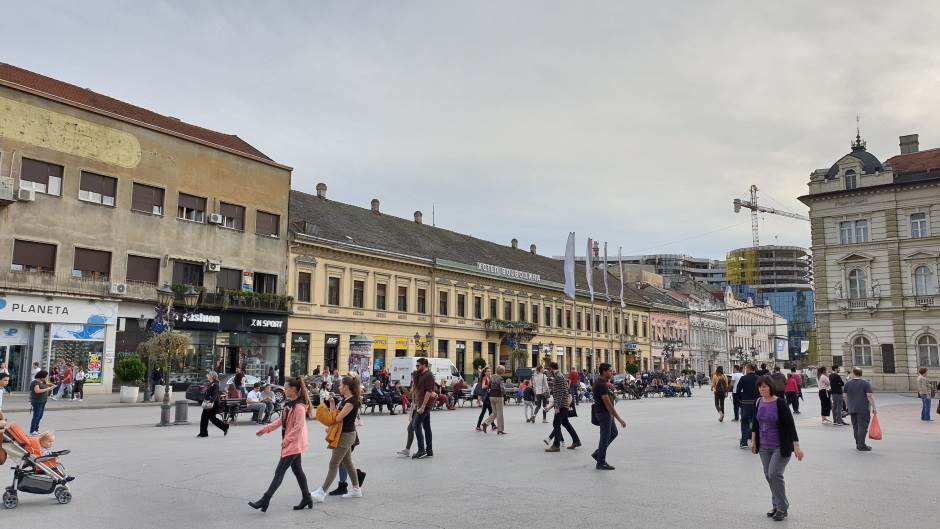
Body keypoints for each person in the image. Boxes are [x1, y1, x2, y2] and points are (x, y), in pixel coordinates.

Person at [249, 377, 315, 512]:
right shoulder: (289, 404)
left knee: (279, 472)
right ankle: (307, 497)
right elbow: (280, 421)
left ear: (293, 389)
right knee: (298, 471)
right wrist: (266, 429)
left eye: (286, 388)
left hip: (294, 444)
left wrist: (287, 440)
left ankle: (265, 499)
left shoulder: (299, 407)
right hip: (292, 443)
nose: (284, 390)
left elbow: (298, 427)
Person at [751, 375, 803, 521]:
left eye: (765, 386)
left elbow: (790, 425)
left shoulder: (779, 402)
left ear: (771, 387)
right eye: (760, 387)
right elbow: (755, 424)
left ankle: (782, 507)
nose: (762, 389)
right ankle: (776, 504)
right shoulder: (758, 402)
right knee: (769, 475)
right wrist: (754, 442)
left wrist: (796, 446)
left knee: (774, 474)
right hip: (764, 447)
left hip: (780, 445)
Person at [311, 375, 362, 501]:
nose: (339, 387)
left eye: (340, 385)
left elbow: (338, 418)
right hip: (343, 434)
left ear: (346, 387)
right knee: (347, 462)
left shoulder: (351, 402)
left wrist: (332, 419)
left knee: (334, 463)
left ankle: (322, 492)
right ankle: (356, 489)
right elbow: (335, 415)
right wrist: (333, 404)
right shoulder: (345, 400)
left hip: (346, 435)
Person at [592, 363, 626, 470]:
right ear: (604, 371)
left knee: (613, 433)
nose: (612, 373)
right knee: (604, 438)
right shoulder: (601, 385)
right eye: (610, 371)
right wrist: (620, 419)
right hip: (604, 414)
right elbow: (608, 405)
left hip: (604, 413)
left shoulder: (602, 382)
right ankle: (600, 462)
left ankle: (598, 453)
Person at [545, 362, 580, 453]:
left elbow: (560, 393)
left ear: (551, 369)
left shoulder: (558, 377)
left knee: (556, 424)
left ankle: (556, 445)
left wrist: (557, 406)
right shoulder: (560, 376)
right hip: (564, 404)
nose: (548, 372)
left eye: (549, 369)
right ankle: (576, 441)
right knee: (565, 423)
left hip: (561, 405)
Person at [844, 368, 877, 451]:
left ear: (853, 373)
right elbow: (869, 396)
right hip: (863, 408)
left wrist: (847, 406)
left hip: (852, 408)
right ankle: (861, 445)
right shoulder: (866, 383)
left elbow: (845, 396)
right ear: (861, 374)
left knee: (855, 427)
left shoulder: (847, 384)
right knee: (862, 427)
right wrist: (874, 408)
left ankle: (858, 443)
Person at [411, 358, 436, 459]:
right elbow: (417, 389)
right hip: (421, 403)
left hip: (425, 405)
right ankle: (429, 450)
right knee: (426, 427)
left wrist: (423, 406)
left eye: (418, 366)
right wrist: (415, 376)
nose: (417, 367)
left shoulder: (429, 375)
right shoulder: (419, 374)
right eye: (416, 366)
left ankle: (421, 450)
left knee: (416, 424)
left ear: (424, 365)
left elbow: (429, 392)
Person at [735, 364, 760, 449]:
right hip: (756, 403)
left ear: (748, 369)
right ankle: (755, 441)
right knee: (755, 422)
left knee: (745, 422)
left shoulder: (743, 378)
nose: (745, 370)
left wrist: (740, 400)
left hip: (745, 404)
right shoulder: (758, 378)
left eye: (746, 368)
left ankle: (744, 442)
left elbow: (737, 391)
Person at [198, 371, 229, 438]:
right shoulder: (212, 383)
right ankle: (224, 427)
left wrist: (210, 401)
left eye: (208, 375)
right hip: (210, 403)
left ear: (212, 376)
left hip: (212, 404)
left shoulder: (215, 384)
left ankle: (203, 433)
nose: (207, 376)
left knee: (205, 418)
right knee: (211, 418)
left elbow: (215, 395)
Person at [482, 365, 507, 434]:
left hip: (491, 396)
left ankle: (485, 423)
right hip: (498, 396)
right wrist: (505, 396)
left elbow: (489, 386)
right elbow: (502, 388)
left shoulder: (492, 377)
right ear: (502, 371)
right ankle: (500, 430)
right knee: (500, 413)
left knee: (494, 413)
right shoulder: (500, 378)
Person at [29, 370, 55, 435]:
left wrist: (52, 384)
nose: (46, 377)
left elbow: (46, 384)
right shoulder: (35, 382)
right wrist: (48, 389)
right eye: (45, 376)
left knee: (40, 416)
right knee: (36, 416)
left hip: (43, 401)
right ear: (41, 376)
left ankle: (36, 429)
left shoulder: (42, 381)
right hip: (37, 401)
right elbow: (37, 391)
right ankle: (32, 430)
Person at [475, 367, 492, 431]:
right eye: (488, 371)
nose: (489, 372)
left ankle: (479, 426)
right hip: (486, 397)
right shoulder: (485, 378)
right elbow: (483, 386)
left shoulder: (489, 378)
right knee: (487, 412)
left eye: (490, 371)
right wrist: (489, 385)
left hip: (488, 397)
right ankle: (478, 426)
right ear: (485, 372)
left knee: (489, 411)